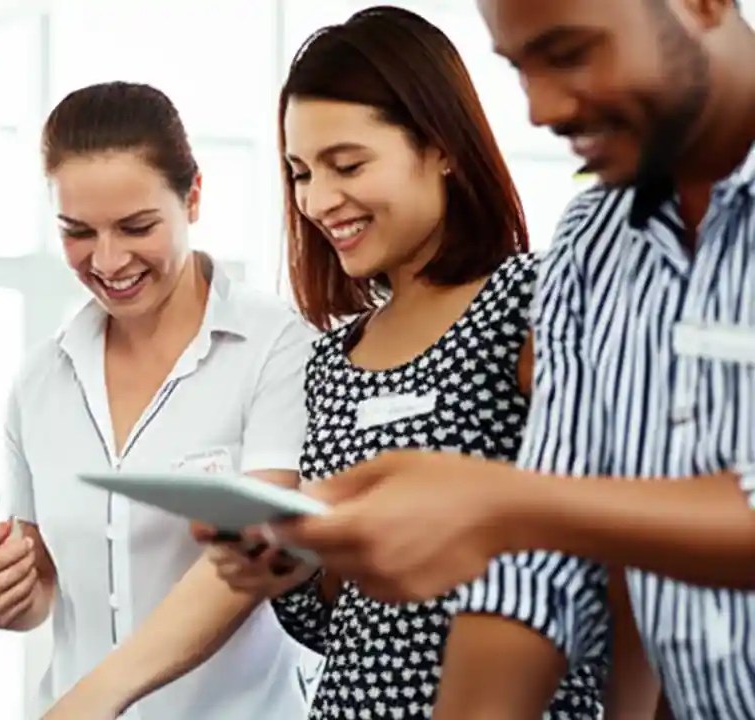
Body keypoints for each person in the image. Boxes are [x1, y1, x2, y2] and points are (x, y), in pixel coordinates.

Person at [264, 1, 755, 717]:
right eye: (520, 69)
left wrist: (500, 504)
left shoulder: (522, 294)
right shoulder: (596, 238)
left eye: (570, 52)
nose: (539, 111)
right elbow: (540, 583)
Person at [193, 8, 610, 718]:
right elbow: (342, 622)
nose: (318, 200)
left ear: (440, 147)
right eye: (300, 173)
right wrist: (286, 569)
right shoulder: (331, 361)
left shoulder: (533, 300)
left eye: (348, 165)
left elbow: (614, 544)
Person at [0, 81, 316, 719]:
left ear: (193, 196)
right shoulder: (40, 380)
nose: (109, 259)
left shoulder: (275, 349)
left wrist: (95, 698)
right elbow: (42, 585)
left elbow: (260, 551)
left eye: (136, 227)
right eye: (78, 232)